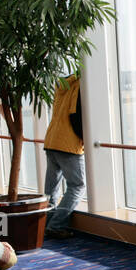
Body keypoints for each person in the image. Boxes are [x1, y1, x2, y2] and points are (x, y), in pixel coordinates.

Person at [43, 74, 85, 239]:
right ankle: (56, 225)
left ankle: (46, 224)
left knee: (51, 187)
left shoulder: (64, 84)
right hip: (68, 143)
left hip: (52, 139)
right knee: (77, 186)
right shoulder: (80, 85)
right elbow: (75, 114)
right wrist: (84, 138)